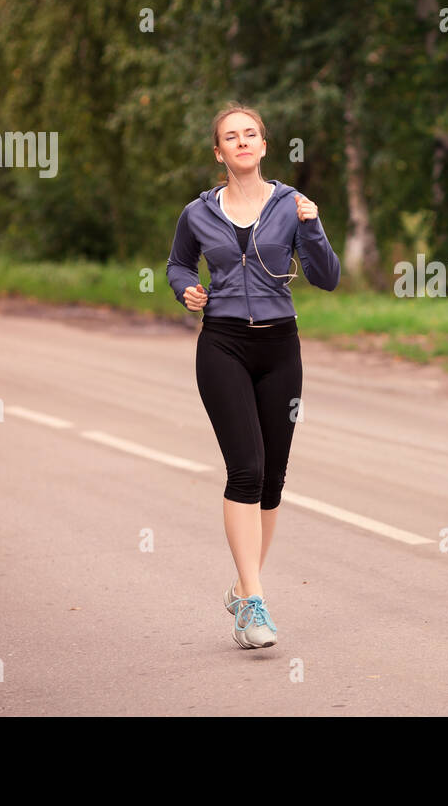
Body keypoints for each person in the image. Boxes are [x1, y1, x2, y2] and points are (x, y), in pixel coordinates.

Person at [165, 102, 341, 649]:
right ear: (219, 153)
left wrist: (311, 228)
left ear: (264, 146)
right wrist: (185, 289)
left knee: (273, 479)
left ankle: (244, 588)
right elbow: (177, 264)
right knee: (245, 469)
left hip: (280, 347)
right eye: (231, 137)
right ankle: (255, 603)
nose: (242, 142)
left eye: (251, 134)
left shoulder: (293, 206)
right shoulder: (197, 213)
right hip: (221, 345)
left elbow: (327, 278)